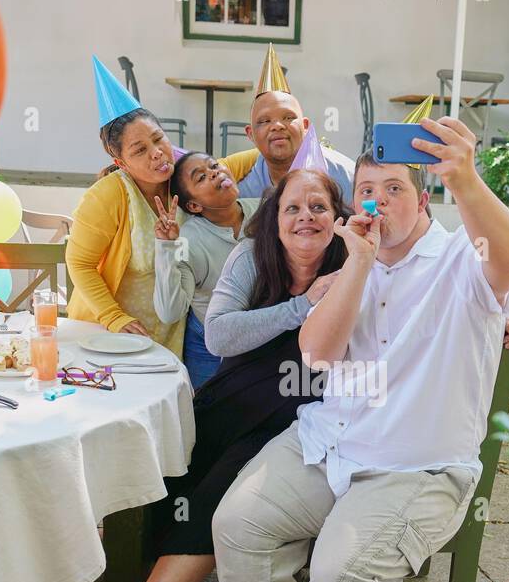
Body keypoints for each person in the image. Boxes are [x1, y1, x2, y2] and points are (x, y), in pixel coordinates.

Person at [211, 115, 509, 582]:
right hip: (332, 443)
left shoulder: (460, 259)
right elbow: (319, 355)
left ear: (424, 199)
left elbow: (507, 262)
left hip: (418, 469)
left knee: (341, 571)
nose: (379, 202)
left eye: (395, 188)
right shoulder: (346, 259)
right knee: (238, 521)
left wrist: (466, 177)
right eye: (367, 189)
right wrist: (355, 262)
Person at [40, 168, 349, 582]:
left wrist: (503, 317)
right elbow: (222, 336)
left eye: (318, 207)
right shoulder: (253, 257)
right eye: (292, 208)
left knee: (216, 494)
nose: (305, 218)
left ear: (338, 219)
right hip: (236, 397)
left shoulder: (356, 265)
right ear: (273, 219)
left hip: (303, 415)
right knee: (170, 472)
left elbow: (426, 297)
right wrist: (303, 304)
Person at [65, 57, 252, 354]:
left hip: (167, 336)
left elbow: (234, 164)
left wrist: (297, 142)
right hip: (107, 335)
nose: (157, 153)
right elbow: (79, 263)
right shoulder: (107, 196)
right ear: (121, 162)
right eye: (140, 150)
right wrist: (113, 317)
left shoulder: (182, 176)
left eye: (158, 139)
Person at [151, 153, 261, 389]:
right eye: (201, 177)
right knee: (207, 416)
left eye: (214, 165)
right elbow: (170, 312)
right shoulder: (187, 241)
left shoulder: (267, 213)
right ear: (194, 205)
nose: (214, 172)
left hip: (261, 334)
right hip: (208, 343)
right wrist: (166, 247)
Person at [223, 45, 355, 201]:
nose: (277, 126)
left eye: (288, 118)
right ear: (250, 134)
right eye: (265, 121)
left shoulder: (344, 176)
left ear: (305, 126)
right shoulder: (250, 188)